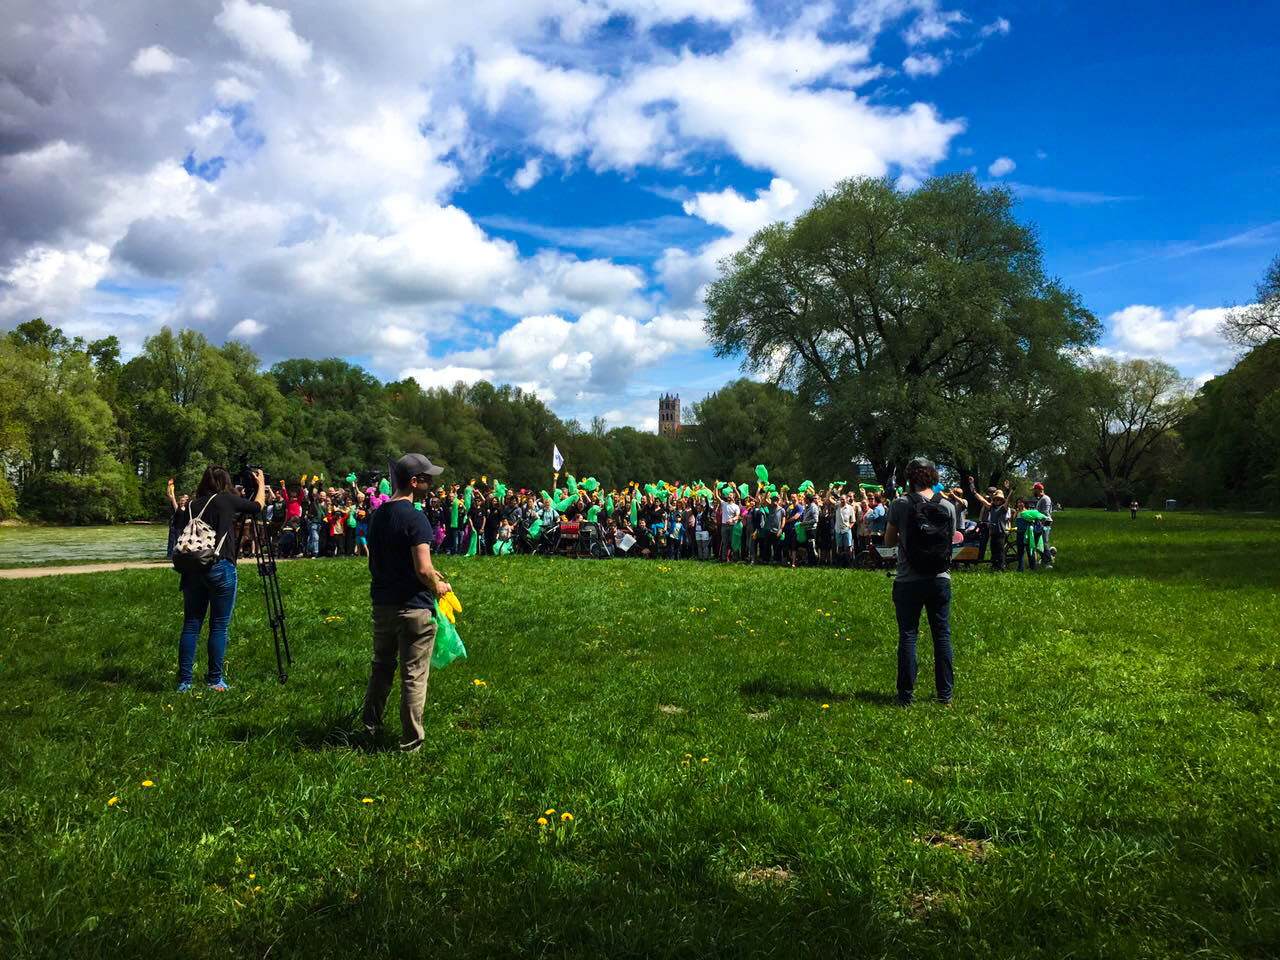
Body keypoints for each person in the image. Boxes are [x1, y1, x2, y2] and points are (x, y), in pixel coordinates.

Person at [363, 453, 451, 753]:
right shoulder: (415, 517)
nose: (432, 484)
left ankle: (370, 726)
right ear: (414, 482)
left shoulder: (377, 516)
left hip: (382, 603)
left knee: (381, 668)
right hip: (413, 607)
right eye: (428, 479)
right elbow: (422, 568)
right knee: (413, 676)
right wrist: (438, 584)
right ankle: (411, 742)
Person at [174, 465, 265, 693]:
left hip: (193, 567)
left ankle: (184, 682)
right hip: (219, 564)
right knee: (218, 626)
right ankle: (215, 680)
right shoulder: (226, 500)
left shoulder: (193, 505)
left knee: (191, 625)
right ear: (225, 482)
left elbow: (179, 524)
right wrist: (261, 484)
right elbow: (257, 507)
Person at [884, 458, 957, 707]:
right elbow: (951, 541)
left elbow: (889, 541)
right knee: (942, 635)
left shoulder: (900, 504)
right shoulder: (947, 506)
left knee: (908, 635)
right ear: (933, 477)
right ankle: (945, 696)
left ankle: (905, 696)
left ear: (909, 477)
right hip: (939, 578)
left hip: (908, 578)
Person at [986, 490, 1010, 572]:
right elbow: (982, 500)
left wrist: (1010, 491)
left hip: (1001, 533)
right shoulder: (992, 508)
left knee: (1000, 551)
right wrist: (973, 490)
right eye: (995, 499)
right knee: (993, 550)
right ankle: (994, 566)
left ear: (1001, 501)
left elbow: (1008, 500)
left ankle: (1002, 567)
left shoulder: (1003, 508)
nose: (996, 501)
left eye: (998, 499)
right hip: (993, 533)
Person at [166, 478, 189, 560]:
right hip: (177, 528)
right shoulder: (176, 508)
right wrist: (169, 486)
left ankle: (183, 556)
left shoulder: (188, 508)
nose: (182, 502)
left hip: (184, 528)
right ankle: (174, 556)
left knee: (184, 542)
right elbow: (171, 496)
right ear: (179, 501)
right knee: (177, 542)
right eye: (181, 500)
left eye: (184, 501)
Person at [1032, 481, 1053, 566]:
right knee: (1038, 542)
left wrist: (1043, 524)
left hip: (1045, 522)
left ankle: (1048, 562)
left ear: (1038, 489)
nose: (1033, 492)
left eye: (1034, 490)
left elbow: (1045, 513)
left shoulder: (1045, 499)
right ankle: (1047, 556)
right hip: (1040, 523)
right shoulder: (1040, 499)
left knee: (1043, 542)